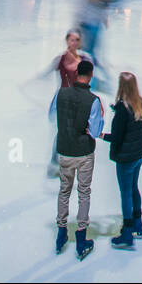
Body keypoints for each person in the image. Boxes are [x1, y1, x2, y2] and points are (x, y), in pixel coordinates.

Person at [55, 58, 104, 260]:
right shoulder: (93, 100)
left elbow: (53, 113)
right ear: (90, 75)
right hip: (83, 153)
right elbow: (95, 130)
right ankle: (81, 237)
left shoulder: (61, 94)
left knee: (64, 191)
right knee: (83, 193)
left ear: (76, 73)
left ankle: (60, 233)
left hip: (64, 150)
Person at [103, 71, 142, 248]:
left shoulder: (123, 108)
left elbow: (117, 137)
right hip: (139, 153)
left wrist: (101, 135)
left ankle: (127, 232)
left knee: (125, 192)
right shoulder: (141, 103)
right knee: (133, 187)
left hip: (126, 157)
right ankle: (138, 224)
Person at [43, 29, 89, 174]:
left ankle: (65, 162)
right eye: (72, 39)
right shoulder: (61, 59)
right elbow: (47, 72)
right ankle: (56, 162)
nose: (74, 42)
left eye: (77, 40)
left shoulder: (85, 60)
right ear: (67, 41)